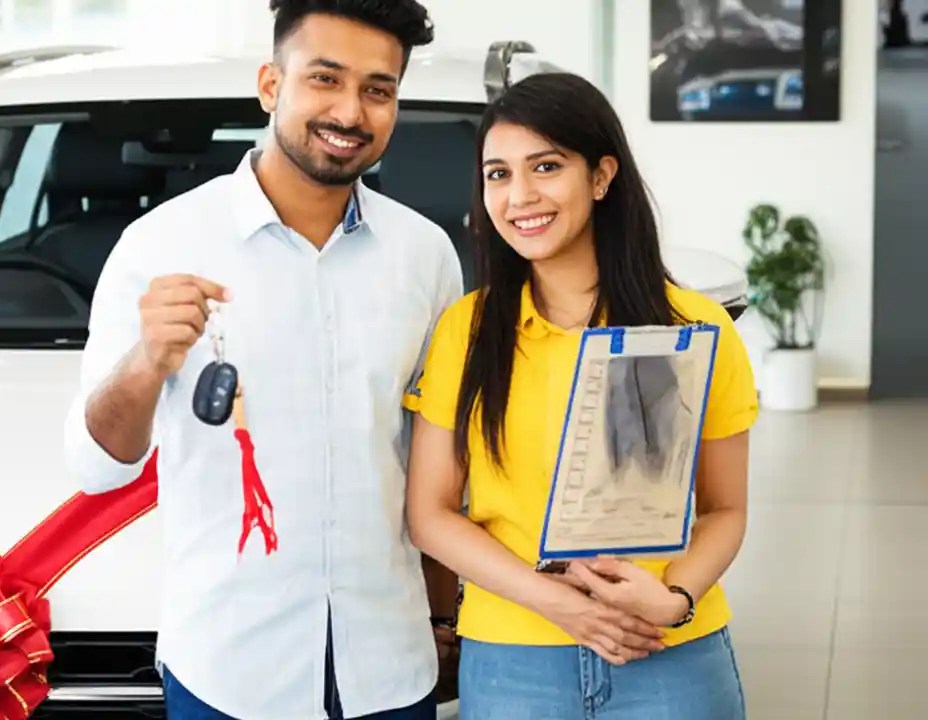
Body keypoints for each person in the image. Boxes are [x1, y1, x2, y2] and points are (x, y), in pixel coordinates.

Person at [65, 1, 463, 718]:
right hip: (230, 672)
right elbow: (99, 466)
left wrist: (442, 619)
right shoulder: (162, 243)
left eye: (378, 89)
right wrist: (147, 360)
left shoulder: (425, 256)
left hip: (391, 668)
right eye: (325, 79)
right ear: (271, 85)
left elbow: (430, 457)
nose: (350, 110)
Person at [404, 71, 757, 719]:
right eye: (498, 174)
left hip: (667, 652)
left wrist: (674, 600)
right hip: (516, 661)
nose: (520, 196)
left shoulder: (692, 329)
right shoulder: (468, 331)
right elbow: (430, 513)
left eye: (545, 166)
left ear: (600, 176)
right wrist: (560, 605)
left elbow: (725, 509)